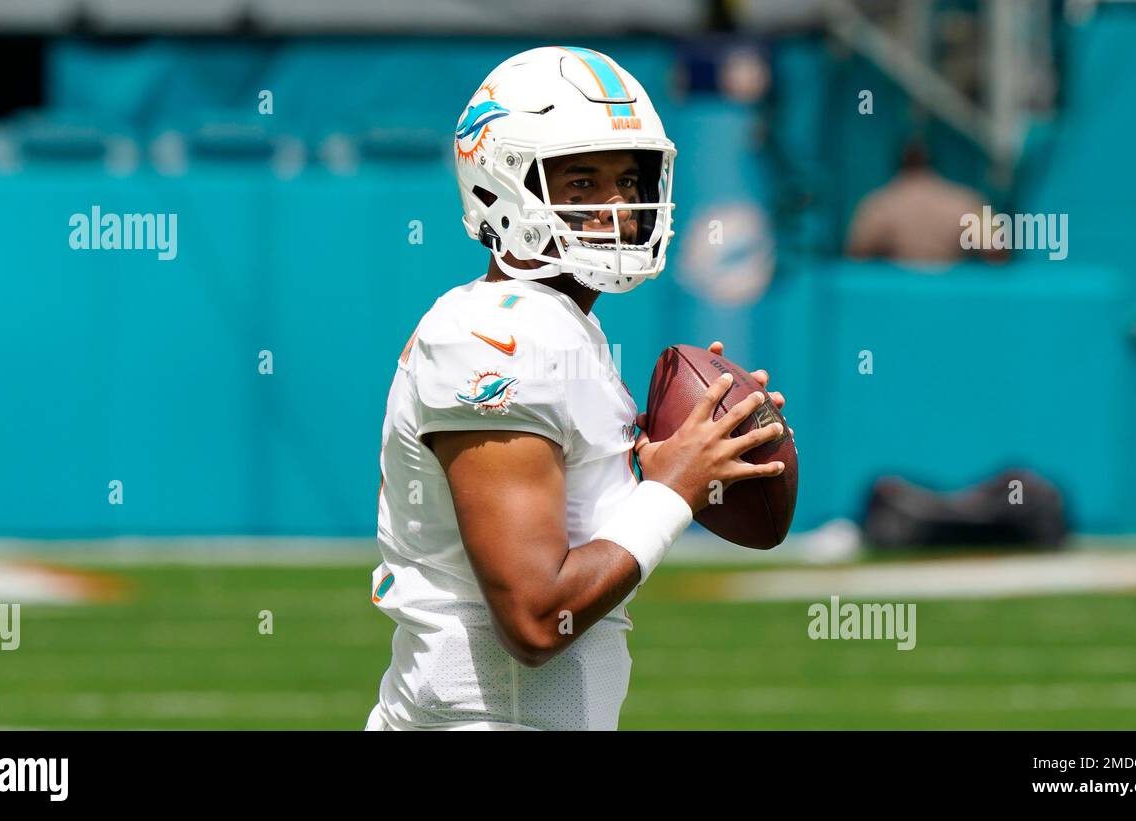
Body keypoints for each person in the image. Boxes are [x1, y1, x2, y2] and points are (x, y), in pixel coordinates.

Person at [365, 46, 789, 731]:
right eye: (584, 182)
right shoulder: (491, 337)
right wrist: (669, 489)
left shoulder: (557, 327)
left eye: (629, 177)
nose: (619, 204)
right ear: (501, 185)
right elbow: (535, 617)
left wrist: (673, 453)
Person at [845, 141, 994, 263]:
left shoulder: (879, 204)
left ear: (898, 165)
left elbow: (856, 254)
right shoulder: (963, 200)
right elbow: (996, 250)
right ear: (934, 164)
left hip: (899, 290)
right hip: (950, 288)